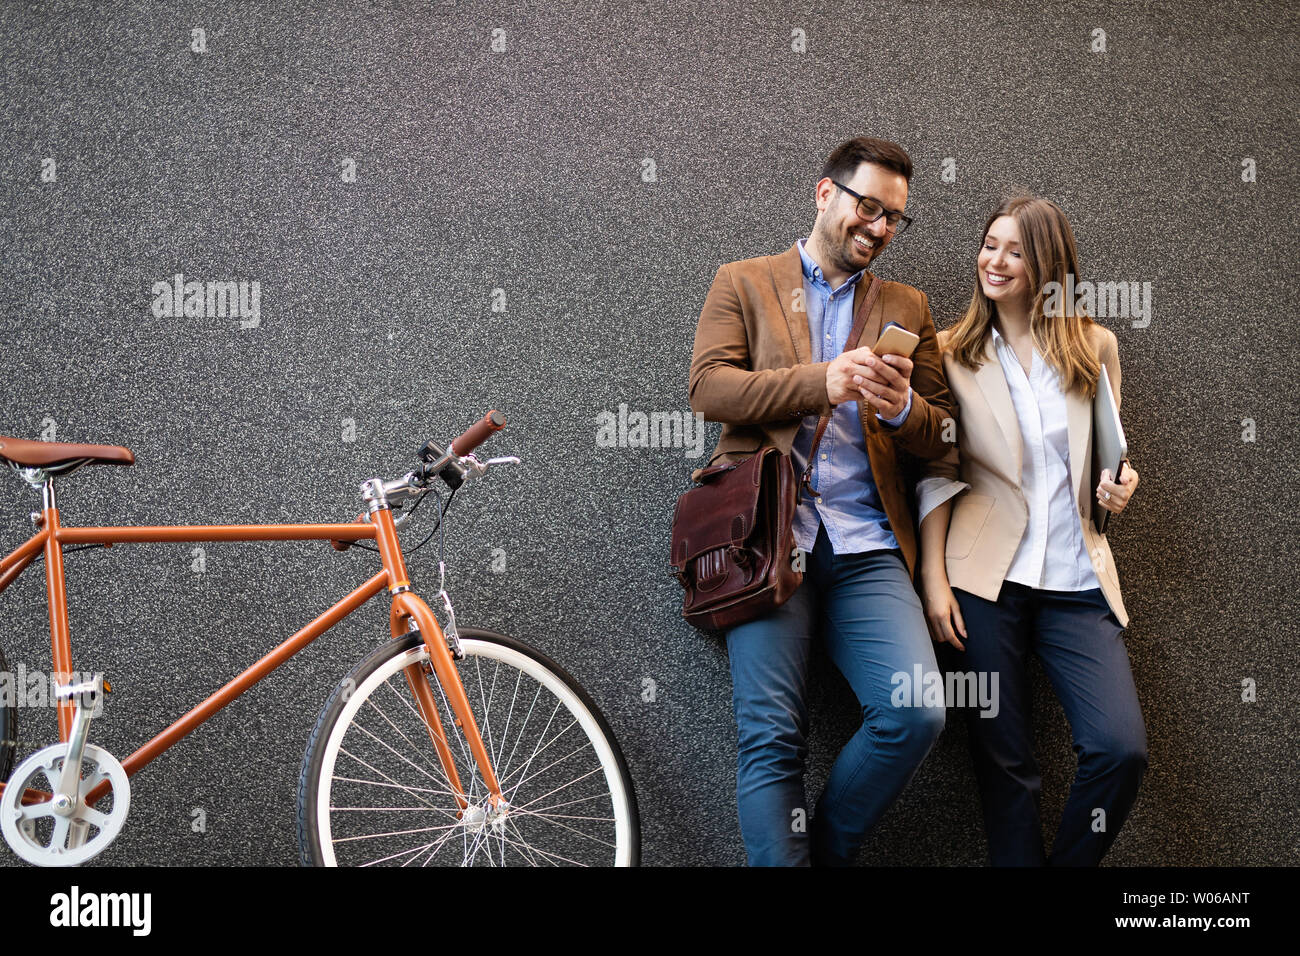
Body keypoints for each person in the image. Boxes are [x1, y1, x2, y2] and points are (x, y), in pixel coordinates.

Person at [689, 137, 956, 866]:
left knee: (915, 712)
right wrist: (821, 381)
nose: (880, 227)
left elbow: (945, 436)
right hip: (767, 541)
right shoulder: (743, 281)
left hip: (868, 547)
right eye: (868, 206)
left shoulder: (908, 305)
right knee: (772, 739)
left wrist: (904, 411)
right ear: (825, 193)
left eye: (895, 217)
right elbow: (709, 387)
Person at [916, 194, 1145, 866]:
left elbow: (1109, 457)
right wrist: (934, 579)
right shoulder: (949, 353)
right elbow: (936, 471)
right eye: (990, 245)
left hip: (1076, 579)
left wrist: (1120, 486)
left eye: (1015, 251)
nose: (995, 261)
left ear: (1048, 264)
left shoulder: (1094, 347)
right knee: (1004, 762)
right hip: (985, 581)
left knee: (1120, 748)